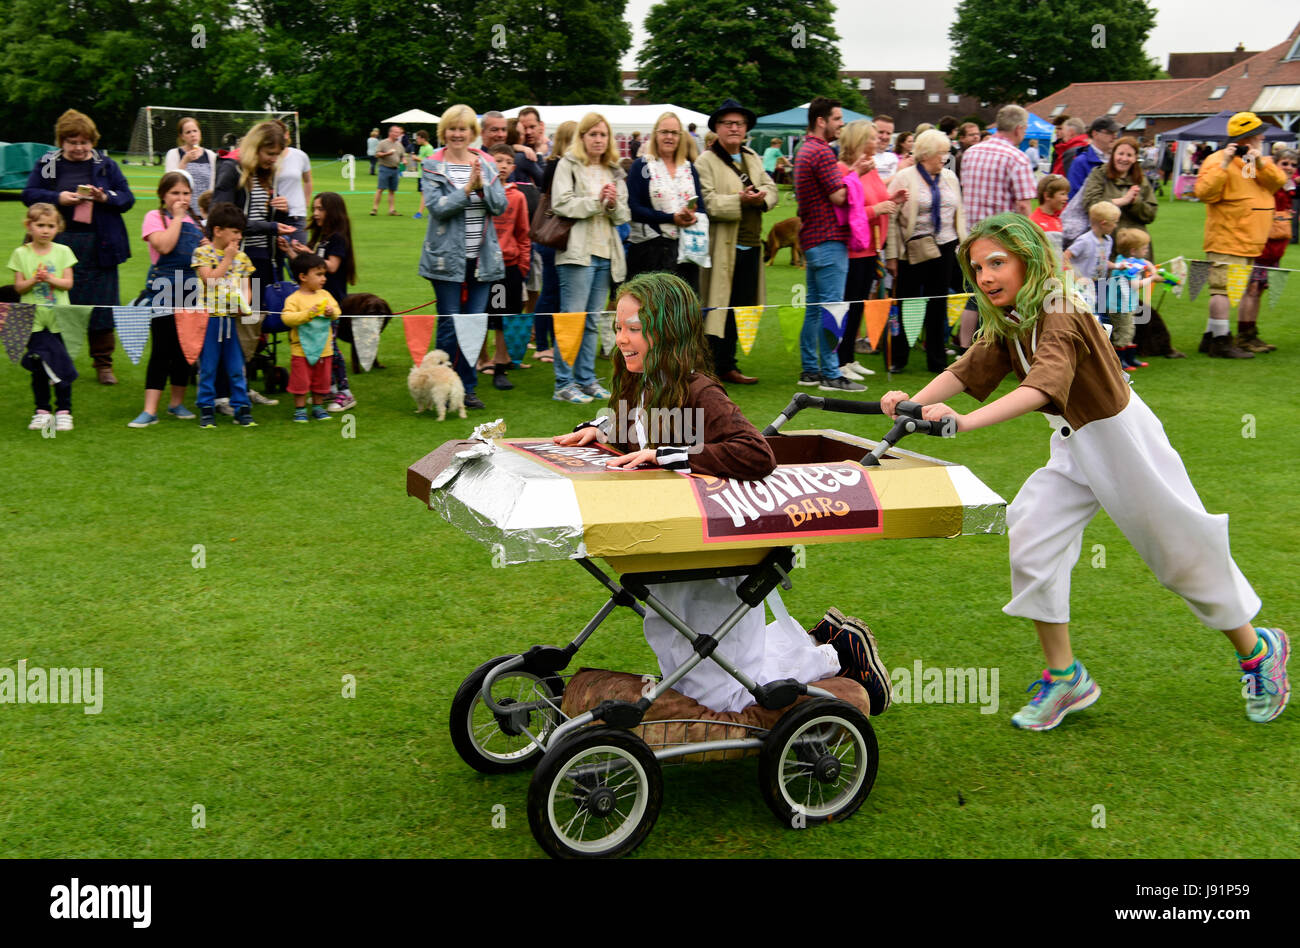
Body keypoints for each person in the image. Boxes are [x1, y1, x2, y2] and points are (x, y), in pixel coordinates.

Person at [881, 213, 1287, 730]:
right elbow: (970, 367)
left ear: (1029, 257)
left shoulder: (1059, 307)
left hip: (1124, 442)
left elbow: (1044, 387)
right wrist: (910, 402)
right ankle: (1065, 676)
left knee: (1181, 553)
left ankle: (1258, 651)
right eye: (978, 267)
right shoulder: (1013, 314)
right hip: (1075, 444)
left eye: (997, 262)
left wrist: (965, 423)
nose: (985, 276)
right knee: (1031, 535)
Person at [552, 272, 891, 714]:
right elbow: (634, 427)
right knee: (678, 649)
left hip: (711, 552)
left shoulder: (699, 389)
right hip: (669, 544)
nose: (622, 338)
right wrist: (598, 429)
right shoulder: (639, 381)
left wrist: (666, 456)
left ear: (668, 331)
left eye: (634, 328)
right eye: (618, 327)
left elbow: (755, 454)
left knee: (723, 688)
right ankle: (824, 643)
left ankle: (836, 655)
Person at [21, 109, 134, 385]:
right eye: (72, 142)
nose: (79, 147)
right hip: (58, 244)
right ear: (62, 142)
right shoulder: (48, 163)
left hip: (100, 244)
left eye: (84, 142)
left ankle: (104, 365)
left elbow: (127, 198)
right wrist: (58, 197)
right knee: (57, 307)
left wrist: (105, 196)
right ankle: (57, 362)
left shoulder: (106, 164)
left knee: (103, 306)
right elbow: (29, 194)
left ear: (92, 141)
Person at [417, 104, 507, 411]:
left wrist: (482, 190)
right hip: (444, 259)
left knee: (473, 325)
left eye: (464, 128)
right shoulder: (431, 164)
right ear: (444, 132)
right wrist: (467, 189)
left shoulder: (487, 162)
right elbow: (438, 207)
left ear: (473, 132)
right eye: (452, 129)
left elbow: (500, 206)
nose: (457, 134)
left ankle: (467, 388)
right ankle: (440, 385)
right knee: (449, 324)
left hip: (482, 259)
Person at [549, 111, 630, 405]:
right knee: (572, 319)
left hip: (606, 252)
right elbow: (561, 204)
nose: (598, 139)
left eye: (603, 134)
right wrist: (597, 201)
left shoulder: (614, 168)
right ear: (582, 137)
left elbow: (624, 214)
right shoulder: (568, 164)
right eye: (593, 134)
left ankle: (586, 379)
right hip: (576, 252)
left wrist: (610, 204)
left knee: (593, 321)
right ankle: (563, 383)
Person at [696, 99, 777, 387]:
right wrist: (740, 200)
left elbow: (772, 188)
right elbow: (708, 203)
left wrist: (761, 197)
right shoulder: (705, 161)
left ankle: (728, 365)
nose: (734, 128)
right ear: (717, 128)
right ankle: (707, 367)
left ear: (746, 129)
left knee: (739, 308)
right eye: (728, 123)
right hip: (722, 247)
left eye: (739, 124)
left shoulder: (752, 156)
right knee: (716, 307)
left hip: (751, 245)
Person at [1194, 112, 1287, 359]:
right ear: (1249, 137)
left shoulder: (1255, 161)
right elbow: (1203, 192)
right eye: (1258, 134)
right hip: (1227, 237)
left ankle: (1211, 336)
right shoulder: (1216, 160)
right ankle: (1221, 341)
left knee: (1230, 291)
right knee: (1221, 290)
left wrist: (1262, 163)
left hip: (1249, 240)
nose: (1263, 137)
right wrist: (1224, 165)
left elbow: (1279, 182)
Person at [793, 96, 869, 392]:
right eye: (837, 118)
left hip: (812, 239)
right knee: (833, 309)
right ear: (821, 121)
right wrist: (856, 175)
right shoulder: (822, 152)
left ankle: (810, 370)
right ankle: (831, 373)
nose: (842, 124)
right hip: (828, 239)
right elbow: (839, 196)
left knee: (814, 309)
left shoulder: (804, 149)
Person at [885, 129, 967, 374]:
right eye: (941, 152)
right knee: (909, 303)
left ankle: (936, 360)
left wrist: (962, 244)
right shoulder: (904, 177)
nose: (945, 157)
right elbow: (892, 218)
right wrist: (891, 255)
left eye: (946, 152)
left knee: (938, 304)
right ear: (926, 154)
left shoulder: (950, 177)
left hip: (945, 247)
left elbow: (958, 213)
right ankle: (900, 358)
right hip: (913, 249)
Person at [956, 104, 1036, 349]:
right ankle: (1006, 347)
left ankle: (965, 346)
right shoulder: (1017, 157)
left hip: (972, 237)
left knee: (976, 295)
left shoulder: (971, 152)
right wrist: (1032, 238)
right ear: (1020, 128)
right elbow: (1023, 205)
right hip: (1003, 239)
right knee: (1010, 295)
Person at [128, 173, 203, 428]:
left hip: (190, 289)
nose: (181, 199)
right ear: (163, 195)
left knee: (185, 349)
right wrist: (179, 218)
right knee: (162, 348)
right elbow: (164, 246)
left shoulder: (197, 222)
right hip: (162, 288)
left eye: (185, 194)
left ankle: (176, 404)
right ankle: (150, 410)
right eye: (175, 193)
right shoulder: (154, 218)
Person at [282, 191, 359, 409]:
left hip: (330, 303)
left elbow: (331, 267)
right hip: (317, 302)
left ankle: (345, 392)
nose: (315, 213)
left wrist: (309, 252)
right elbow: (311, 271)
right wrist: (290, 252)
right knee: (322, 346)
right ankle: (329, 389)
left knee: (331, 348)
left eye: (320, 209)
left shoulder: (337, 238)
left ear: (332, 211)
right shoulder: (323, 237)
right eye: (314, 208)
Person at [837, 119, 901, 379]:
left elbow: (879, 198)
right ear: (859, 141)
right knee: (848, 305)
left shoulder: (871, 168)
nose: (879, 141)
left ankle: (850, 357)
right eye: (873, 138)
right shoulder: (843, 169)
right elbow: (845, 212)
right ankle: (840, 359)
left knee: (860, 304)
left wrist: (893, 200)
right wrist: (877, 209)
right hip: (853, 250)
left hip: (872, 248)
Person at [10, 204, 78, 431]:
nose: (45, 230)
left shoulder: (63, 252)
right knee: (39, 365)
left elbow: (68, 283)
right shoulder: (21, 253)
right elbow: (19, 288)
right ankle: (42, 411)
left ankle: (64, 411)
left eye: (51, 226)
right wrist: (34, 280)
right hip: (31, 318)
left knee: (60, 364)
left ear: (58, 227)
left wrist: (49, 279)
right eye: (40, 225)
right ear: (29, 226)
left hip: (59, 318)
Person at [191, 202, 256, 428]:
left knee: (237, 366)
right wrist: (227, 258)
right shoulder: (203, 253)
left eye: (241, 232)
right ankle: (206, 408)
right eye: (235, 232)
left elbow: (248, 288)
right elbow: (210, 280)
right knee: (208, 366)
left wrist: (244, 304)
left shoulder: (243, 258)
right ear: (218, 231)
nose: (239, 237)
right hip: (209, 319)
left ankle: (242, 407)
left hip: (232, 320)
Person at [625, 112, 705, 292]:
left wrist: (693, 216)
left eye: (674, 133)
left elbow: (702, 207)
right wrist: (670, 218)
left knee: (682, 312)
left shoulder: (689, 168)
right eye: (664, 132)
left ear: (680, 137)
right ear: (655, 134)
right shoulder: (642, 166)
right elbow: (633, 208)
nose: (669, 137)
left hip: (685, 252)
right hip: (649, 252)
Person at [1237, 148, 1297, 351]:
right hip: (1260, 245)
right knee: (1252, 289)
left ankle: (1252, 333)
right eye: (1285, 163)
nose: (1289, 168)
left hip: (1276, 247)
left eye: (1293, 164)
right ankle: (1243, 335)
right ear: (1276, 164)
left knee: (1259, 290)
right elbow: (1249, 179)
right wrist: (1253, 160)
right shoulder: (1269, 183)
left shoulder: (1291, 186)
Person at [483, 144, 532, 391]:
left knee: (503, 317)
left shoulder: (517, 197)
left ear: (513, 167)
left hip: (508, 268)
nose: (502, 166)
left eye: (506, 162)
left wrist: (522, 265)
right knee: (480, 315)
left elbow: (523, 233)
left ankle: (500, 365)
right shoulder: (480, 192)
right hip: (482, 268)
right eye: (497, 160)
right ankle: (479, 360)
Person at [532, 120, 580, 366]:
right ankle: (541, 344)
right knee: (550, 292)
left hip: (559, 236)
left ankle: (551, 341)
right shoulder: (558, 164)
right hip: (553, 235)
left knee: (557, 293)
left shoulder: (557, 163)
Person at [280, 252, 342, 422]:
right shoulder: (294, 298)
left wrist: (331, 312)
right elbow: (287, 318)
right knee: (301, 381)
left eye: (324, 274)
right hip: (301, 350)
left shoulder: (325, 295)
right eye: (319, 274)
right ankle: (300, 409)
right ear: (303, 277)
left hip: (324, 348)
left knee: (321, 381)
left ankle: (318, 407)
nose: (323, 279)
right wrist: (307, 314)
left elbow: (338, 312)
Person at [1079, 135, 1157, 249]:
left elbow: (1151, 214)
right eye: (1120, 154)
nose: (1124, 159)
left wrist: (1136, 203)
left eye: (1129, 155)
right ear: (1113, 155)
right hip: (1104, 241)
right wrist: (1122, 201)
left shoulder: (1141, 179)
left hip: (1135, 245)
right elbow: (1090, 204)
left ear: (1135, 158)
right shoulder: (1099, 174)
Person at [1062, 200, 1119, 332]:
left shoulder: (1108, 240)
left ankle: (1103, 341)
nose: (1116, 226)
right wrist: (1075, 277)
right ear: (1104, 224)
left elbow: (1102, 261)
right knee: (1088, 315)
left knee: (1102, 314)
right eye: (1114, 222)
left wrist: (1117, 266)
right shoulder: (1085, 240)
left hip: (1101, 284)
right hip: (1085, 287)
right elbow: (1065, 256)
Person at [1110, 228, 1157, 370]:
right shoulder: (1126, 266)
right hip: (1119, 305)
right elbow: (1135, 285)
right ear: (1132, 251)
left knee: (1130, 330)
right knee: (1123, 331)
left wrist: (1152, 268)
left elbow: (1146, 262)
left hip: (1127, 304)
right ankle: (1119, 361)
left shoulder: (1128, 260)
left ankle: (1130, 358)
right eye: (1144, 248)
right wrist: (1152, 279)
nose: (1146, 251)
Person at [164, 117, 217, 219]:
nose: (192, 134)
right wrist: (184, 161)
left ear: (200, 133)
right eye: (188, 132)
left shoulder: (210, 155)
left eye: (195, 131)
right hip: (181, 212)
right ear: (182, 136)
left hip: (204, 212)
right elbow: (169, 183)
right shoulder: (174, 154)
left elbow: (213, 185)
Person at [273, 121, 313, 246]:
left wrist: (305, 204)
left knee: (300, 259)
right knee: (277, 259)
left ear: (287, 134)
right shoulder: (266, 158)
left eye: (281, 133)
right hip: (273, 216)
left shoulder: (300, 156)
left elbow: (308, 181)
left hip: (296, 216)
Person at [1065, 117, 1120, 197]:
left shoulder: (1118, 160)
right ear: (1095, 134)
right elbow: (1074, 196)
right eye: (1109, 132)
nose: (1114, 136)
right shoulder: (1081, 162)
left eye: (1115, 133)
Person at [370, 125, 405, 216]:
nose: (398, 134)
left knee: (392, 191)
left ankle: (391, 210)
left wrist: (404, 160)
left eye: (399, 132)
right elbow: (377, 154)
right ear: (390, 133)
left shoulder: (399, 145)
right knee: (380, 189)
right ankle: (374, 209)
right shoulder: (383, 143)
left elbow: (402, 156)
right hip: (384, 168)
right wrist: (387, 154)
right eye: (396, 132)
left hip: (395, 169)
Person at [1030, 174, 1069, 253]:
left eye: (1066, 194)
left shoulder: (1057, 220)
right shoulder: (1034, 222)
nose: (1066, 198)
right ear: (1047, 195)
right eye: (1062, 194)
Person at [411, 130, 436, 219]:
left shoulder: (429, 148)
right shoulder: (421, 148)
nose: (417, 140)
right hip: (420, 174)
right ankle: (431, 212)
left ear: (423, 138)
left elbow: (429, 161)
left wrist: (416, 159)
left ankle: (419, 213)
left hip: (426, 175)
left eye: (418, 138)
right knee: (424, 194)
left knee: (424, 194)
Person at [872, 115, 898, 181]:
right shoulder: (862, 158)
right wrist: (900, 173)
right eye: (881, 132)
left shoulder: (893, 157)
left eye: (888, 133)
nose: (884, 137)